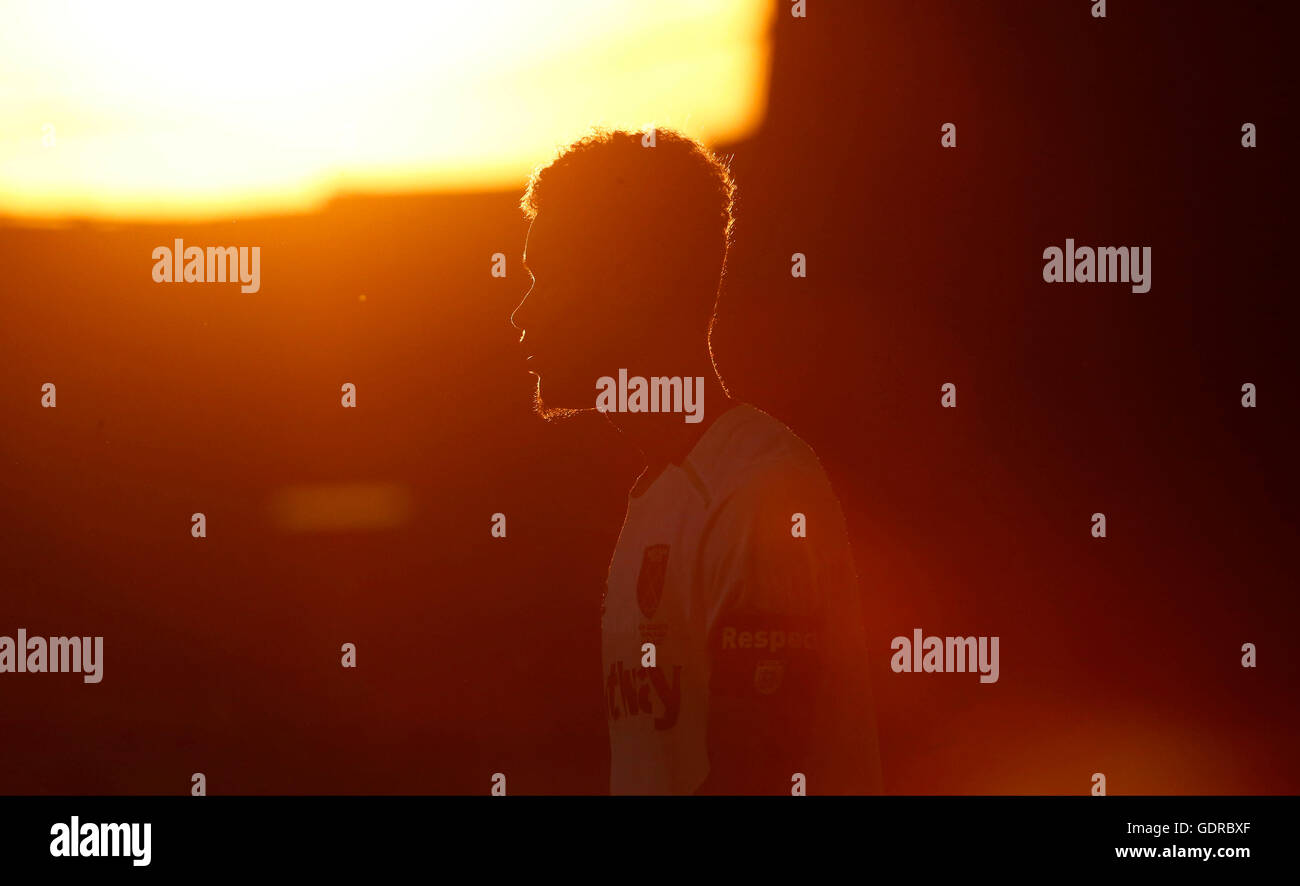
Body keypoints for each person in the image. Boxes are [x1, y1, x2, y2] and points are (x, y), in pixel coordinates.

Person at [510, 128, 882, 794]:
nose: (522, 313)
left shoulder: (758, 491)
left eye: (547, 276)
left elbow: (763, 775)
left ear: (625, 282)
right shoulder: (660, 497)